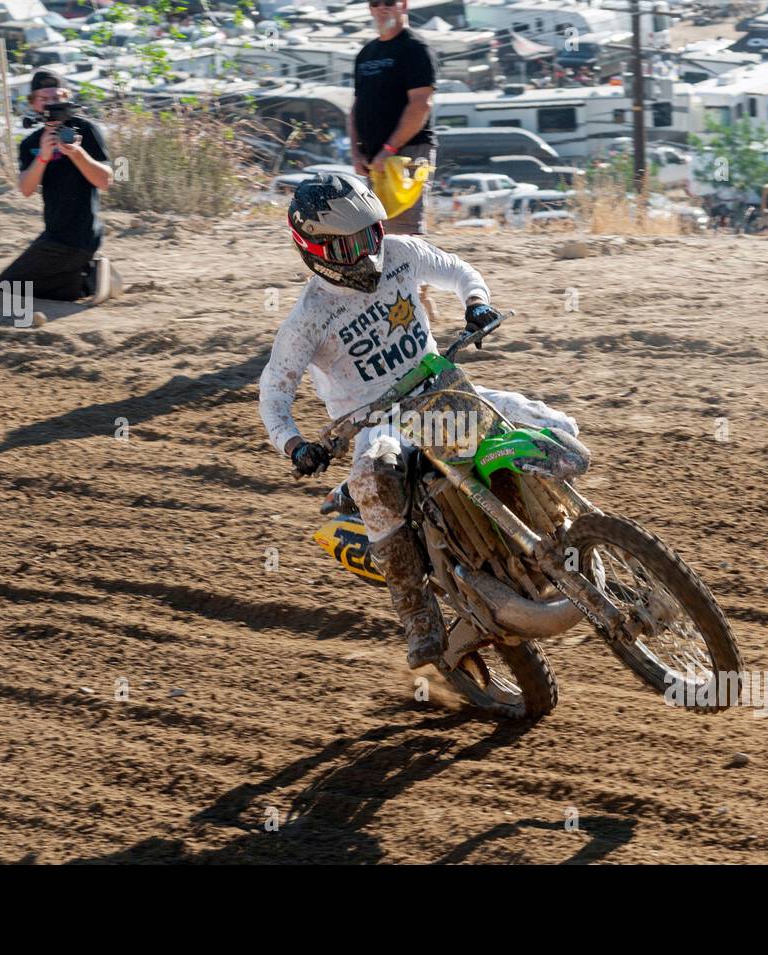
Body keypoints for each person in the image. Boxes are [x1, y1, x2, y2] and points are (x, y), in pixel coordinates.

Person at [258, 174, 579, 669]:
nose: (366, 253)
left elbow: (456, 269)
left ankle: (565, 529)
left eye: (369, 235)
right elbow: (273, 391)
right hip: (377, 418)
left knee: (556, 425)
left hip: (441, 387)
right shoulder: (308, 317)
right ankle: (418, 615)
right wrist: (295, 444)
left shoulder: (402, 253)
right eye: (348, 245)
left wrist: (477, 302)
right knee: (372, 476)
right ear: (314, 248)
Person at [0, 70, 121, 305]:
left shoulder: (86, 131)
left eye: (57, 98)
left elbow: (105, 181)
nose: (52, 105)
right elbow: (25, 189)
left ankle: (86, 281)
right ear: (34, 105)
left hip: (81, 235)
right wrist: (43, 157)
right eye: (44, 99)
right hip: (53, 234)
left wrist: (77, 153)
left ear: (67, 99)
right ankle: (89, 275)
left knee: (9, 283)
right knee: (24, 281)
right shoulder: (31, 143)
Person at [350, 0, 437, 237]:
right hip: (374, 159)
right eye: (375, 2)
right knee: (379, 231)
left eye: (389, 1)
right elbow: (357, 107)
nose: (382, 7)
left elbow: (421, 105)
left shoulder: (415, 49)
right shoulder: (366, 54)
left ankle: (418, 274)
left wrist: (389, 149)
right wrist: (356, 153)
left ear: (404, 5)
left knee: (404, 234)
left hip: (409, 152)